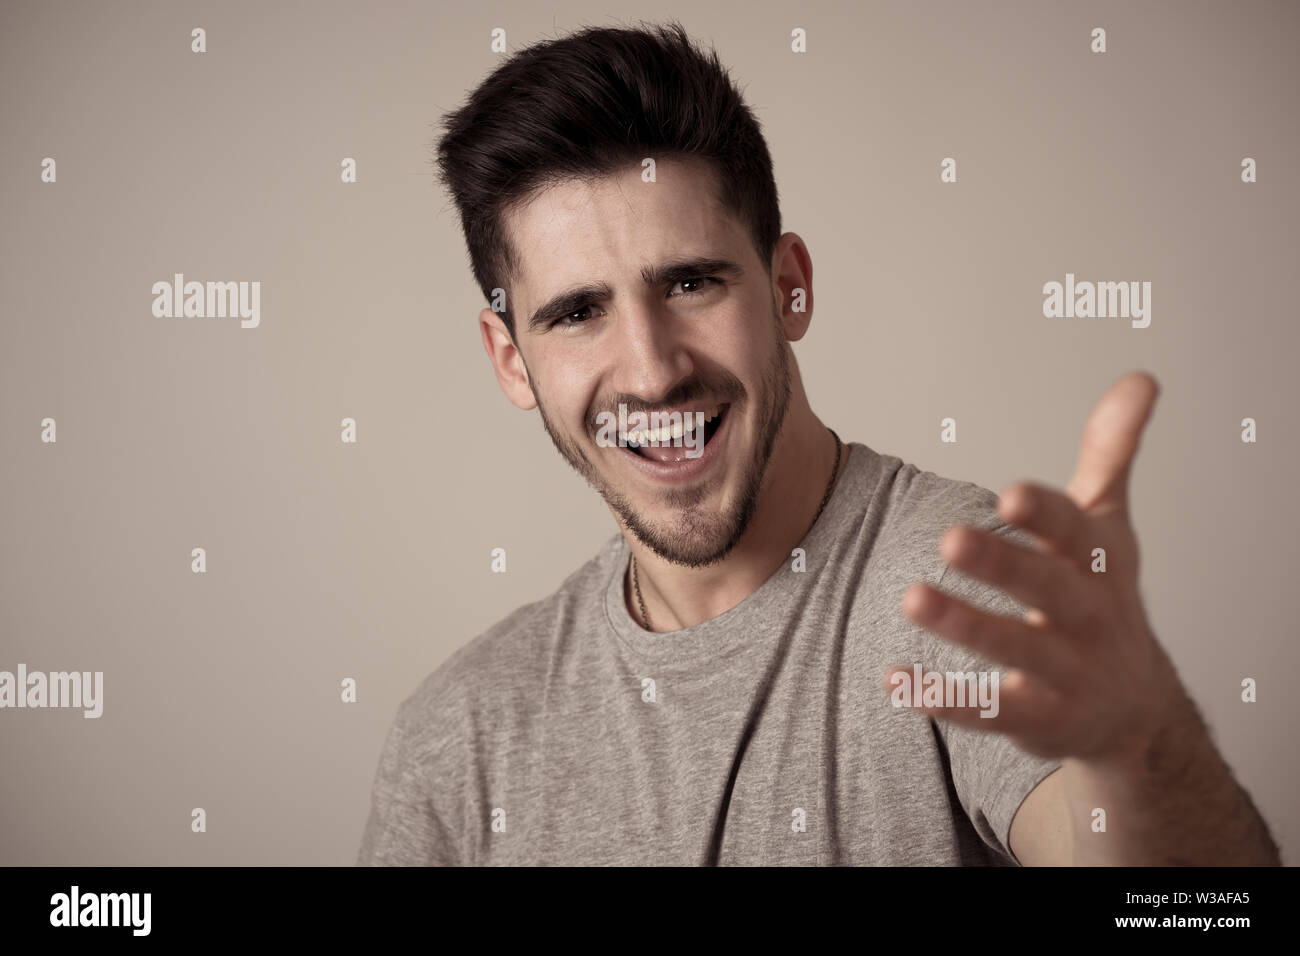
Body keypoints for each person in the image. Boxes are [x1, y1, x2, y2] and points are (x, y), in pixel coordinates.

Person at [357, 21, 1279, 865]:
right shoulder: (460, 739)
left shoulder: (967, 592)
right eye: (577, 312)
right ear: (511, 360)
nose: (650, 370)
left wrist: (1140, 745)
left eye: (689, 284)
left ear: (788, 286)